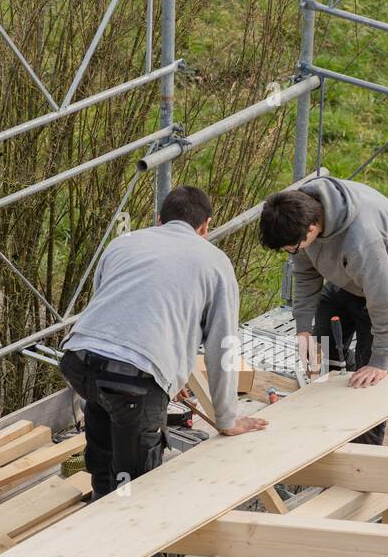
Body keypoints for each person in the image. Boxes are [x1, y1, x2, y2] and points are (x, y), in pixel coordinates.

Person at [61, 185, 267, 502]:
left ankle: (100, 505)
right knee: (136, 487)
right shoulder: (215, 263)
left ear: (160, 219)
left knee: (104, 450)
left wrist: (167, 378)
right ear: (206, 226)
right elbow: (222, 347)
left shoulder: (123, 243)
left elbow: (113, 315)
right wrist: (226, 419)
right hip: (133, 383)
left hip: (79, 361)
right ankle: (129, 539)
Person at [258, 175, 388, 444]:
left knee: (371, 382)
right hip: (347, 276)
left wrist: (380, 360)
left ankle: (363, 457)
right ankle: (333, 409)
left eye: (292, 247)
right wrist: (303, 328)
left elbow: (384, 300)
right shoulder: (297, 214)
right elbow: (305, 275)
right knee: (324, 344)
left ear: (313, 228)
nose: (292, 252)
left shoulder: (362, 239)